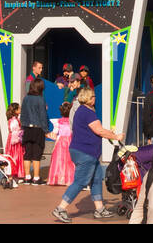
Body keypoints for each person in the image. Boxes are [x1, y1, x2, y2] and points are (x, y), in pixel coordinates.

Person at [52, 86, 123, 222]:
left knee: (96, 179)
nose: (95, 98)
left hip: (84, 151)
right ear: (89, 98)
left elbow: (98, 129)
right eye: (93, 96)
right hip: (85, 152)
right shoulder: (87, 112)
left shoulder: (82, 110)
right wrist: (116, 136)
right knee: (80, 181)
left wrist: (110, 133)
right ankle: (60, 208)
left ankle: (99, 209)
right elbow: (99, 131)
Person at [21, 76, 49, 184]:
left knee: (27, 153)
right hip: (38, 129)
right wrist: (46, 130)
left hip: (27, 128)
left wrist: (23, 126)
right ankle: (36, 178)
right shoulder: (40, 99)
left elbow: (23, 114)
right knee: (37, 154)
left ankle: (27, 176)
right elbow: (43, 116)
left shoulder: (26, 98)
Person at [47, 101, 74, 186]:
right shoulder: (72, 122)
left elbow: (54, 133)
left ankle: (57, 178)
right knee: (69, 160)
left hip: (61, 142)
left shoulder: (58, 122)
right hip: (70, 141)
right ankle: (69, 178)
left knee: (59, 159)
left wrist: (47, 135)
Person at [5, 103, 25, 180]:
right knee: (16, 156)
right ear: (15, 111)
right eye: (19, 108)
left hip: (11, 139)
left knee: (12, 155)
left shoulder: (13, 119)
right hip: (15, 140)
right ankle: (16, 173)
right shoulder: (14, 121)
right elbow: (15, 131)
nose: (20, 110)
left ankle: (13, 173)